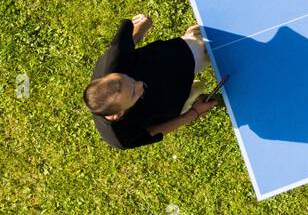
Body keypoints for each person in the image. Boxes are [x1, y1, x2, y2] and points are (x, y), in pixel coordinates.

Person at [83, 14, 217, 149]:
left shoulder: (113, 59)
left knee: (210, 43)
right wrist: (194, 113)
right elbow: (152, 132)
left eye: (130, 78)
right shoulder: (120, 136)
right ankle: (192, 91)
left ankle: (193, 36)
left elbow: (130, 40)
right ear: (118, 115)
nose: (140, 83)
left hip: (175, 57)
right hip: (173, 101)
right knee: (198, 89)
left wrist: (144, 25)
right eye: (134, 92)